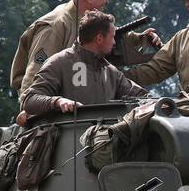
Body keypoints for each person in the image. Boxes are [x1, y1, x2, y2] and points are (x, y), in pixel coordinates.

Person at [9, 0, 158, 95]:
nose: (106, 0)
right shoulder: (56, 25)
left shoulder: (86, 19)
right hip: (53, 108)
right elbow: (36, 71)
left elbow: (108, 36)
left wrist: (141, 39)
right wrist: (29, 109)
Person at [21, 11, 150, 118]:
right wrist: (58, 101)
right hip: (68, 140)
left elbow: (141, 97)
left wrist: (160, 103)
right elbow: (30, 100)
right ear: (99, 39)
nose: (114, 43)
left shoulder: (111, 72)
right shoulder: (59, 63)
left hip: (104, 142)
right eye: (112, 37)